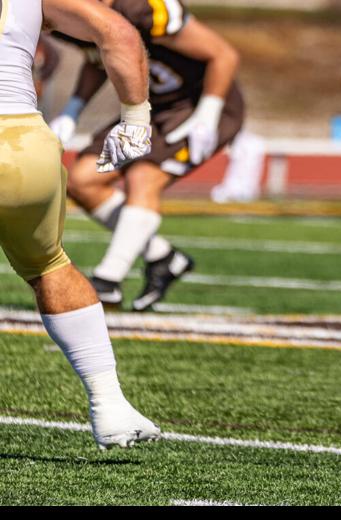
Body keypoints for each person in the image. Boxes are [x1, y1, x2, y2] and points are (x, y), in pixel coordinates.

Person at [4, 0, 160, 447]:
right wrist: (135, 121)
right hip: (21, 144)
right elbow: (118, 31)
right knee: (49, 265)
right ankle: (109, 403)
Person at [47, 0, 244, 312]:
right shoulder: (73, 12)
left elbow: (224, 55)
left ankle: (107, 281)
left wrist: (209, 113)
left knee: (144, 176)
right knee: (83, 180)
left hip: (199, 105)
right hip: (150, 109)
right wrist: (73, 110)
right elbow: (98, 58)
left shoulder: (143, 7)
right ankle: (162, 257)